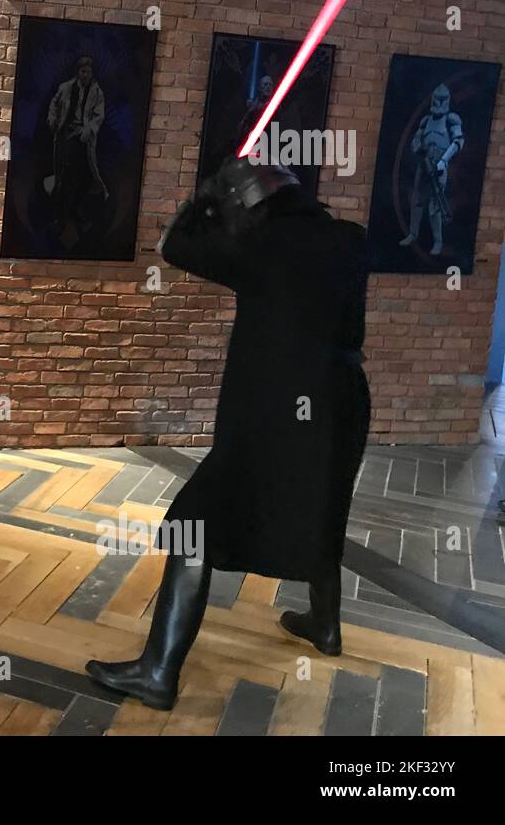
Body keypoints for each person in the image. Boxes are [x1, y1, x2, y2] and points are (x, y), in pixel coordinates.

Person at [85, 158, 371, 711]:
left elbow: (173, 243)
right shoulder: (351, 240)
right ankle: (325, 625)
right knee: (324, 504)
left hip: (274, 404)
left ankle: (158, 671)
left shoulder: (258, 246)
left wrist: (208, 197)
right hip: (343, 396)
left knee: (196, 521)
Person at [398, 83, 463, 256]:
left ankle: (438, 242)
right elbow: (415, 141)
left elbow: (458, 142)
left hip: (439, 164)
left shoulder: (451, 119)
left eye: (443, 99)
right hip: (424, 164)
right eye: (437, 99)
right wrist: (419, 148)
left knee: (435, 205)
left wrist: (443, 161)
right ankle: (413, 234)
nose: (440, 102)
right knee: (417, 200)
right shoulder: (426, 120)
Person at [47, 55, 107, 225]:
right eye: (83, 71)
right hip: (66, 135)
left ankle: (73, 212)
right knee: (65, 177)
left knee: (84, 178)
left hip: (83, 137)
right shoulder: (66, 88)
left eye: (88, 71)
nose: (86, 75)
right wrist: (52, 120)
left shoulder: (97, 92)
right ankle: (60, 216)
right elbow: (54, 104)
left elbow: (99, 115)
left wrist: (89, 130)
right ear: (78, 72)